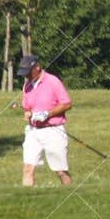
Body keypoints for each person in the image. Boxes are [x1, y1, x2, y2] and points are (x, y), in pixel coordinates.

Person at [18, 54, 72, 187]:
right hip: (33, 131)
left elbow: (66, 103)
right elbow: (27, 107)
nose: (27, 77)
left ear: (37, 67)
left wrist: (47, 114)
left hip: (53, 130)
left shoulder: (52, 81)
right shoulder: (27, 85)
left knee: (60, 171)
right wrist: (28, 114)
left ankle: (71, 193)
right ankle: (26, 203)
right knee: (28, 169)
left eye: (29, 73)